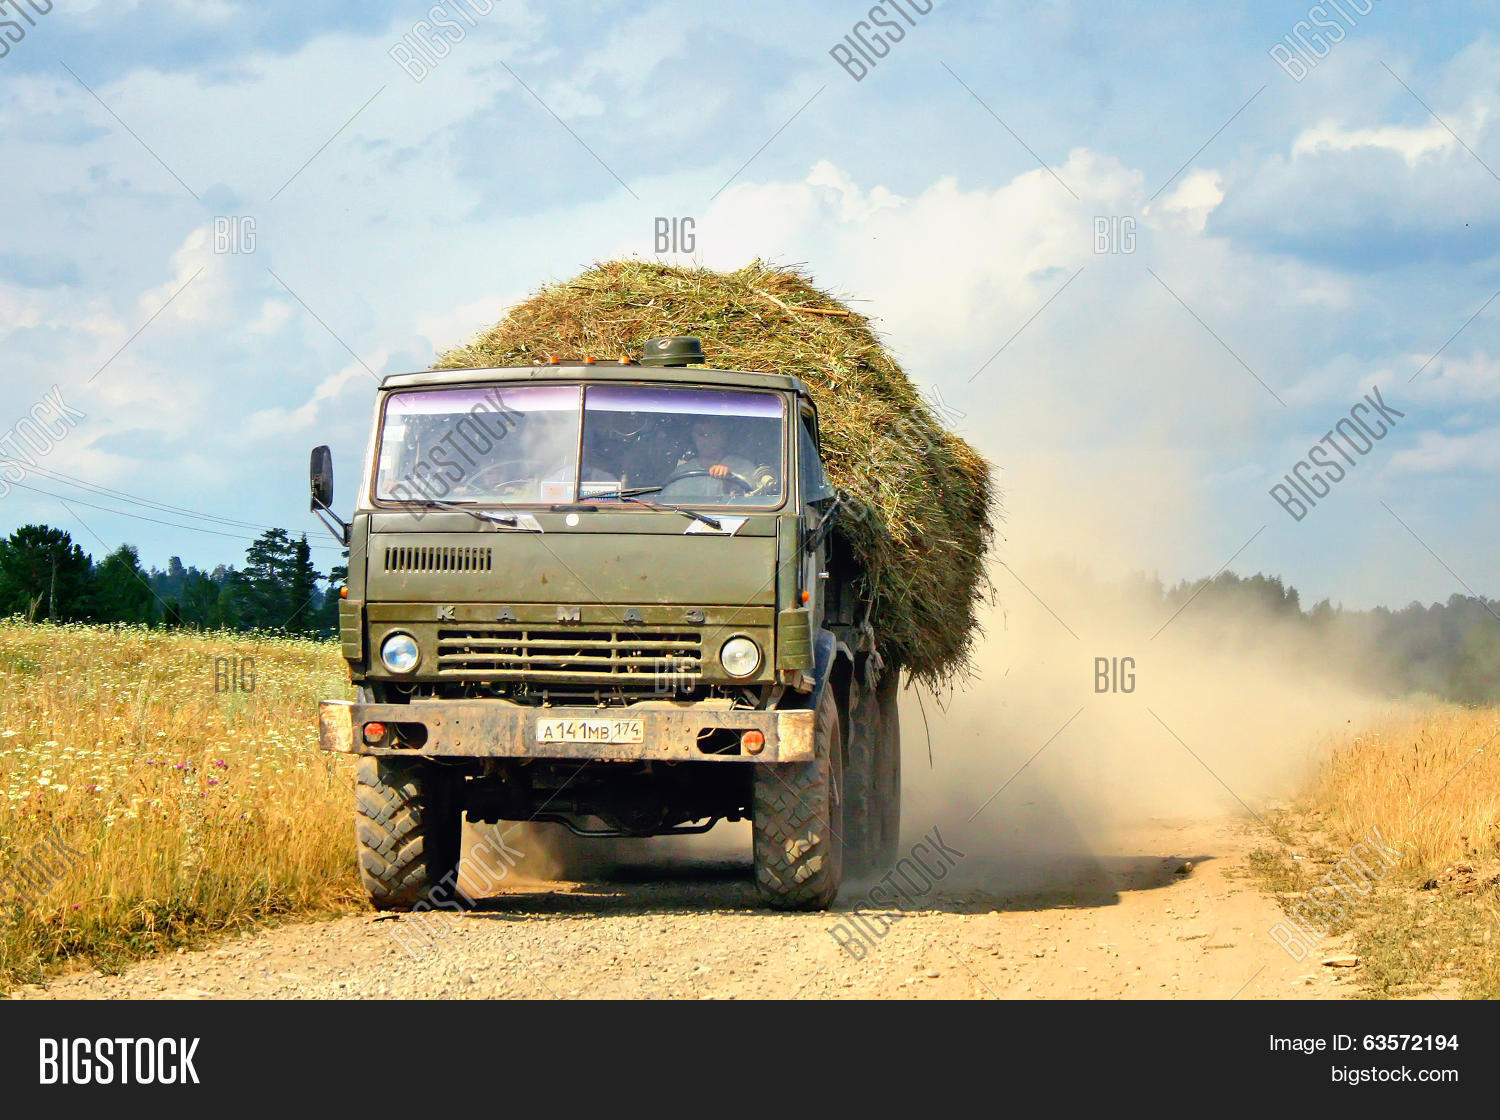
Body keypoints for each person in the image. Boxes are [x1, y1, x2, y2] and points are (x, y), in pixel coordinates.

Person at [668, 416, 778, 497]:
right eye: (701, 434)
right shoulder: (682, 473)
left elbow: (759, 501)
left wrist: (730, 484)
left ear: (724, 436)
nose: (707, 439)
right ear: (693, 437)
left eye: (713, 433)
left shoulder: (744, 468)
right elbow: (665, 504)